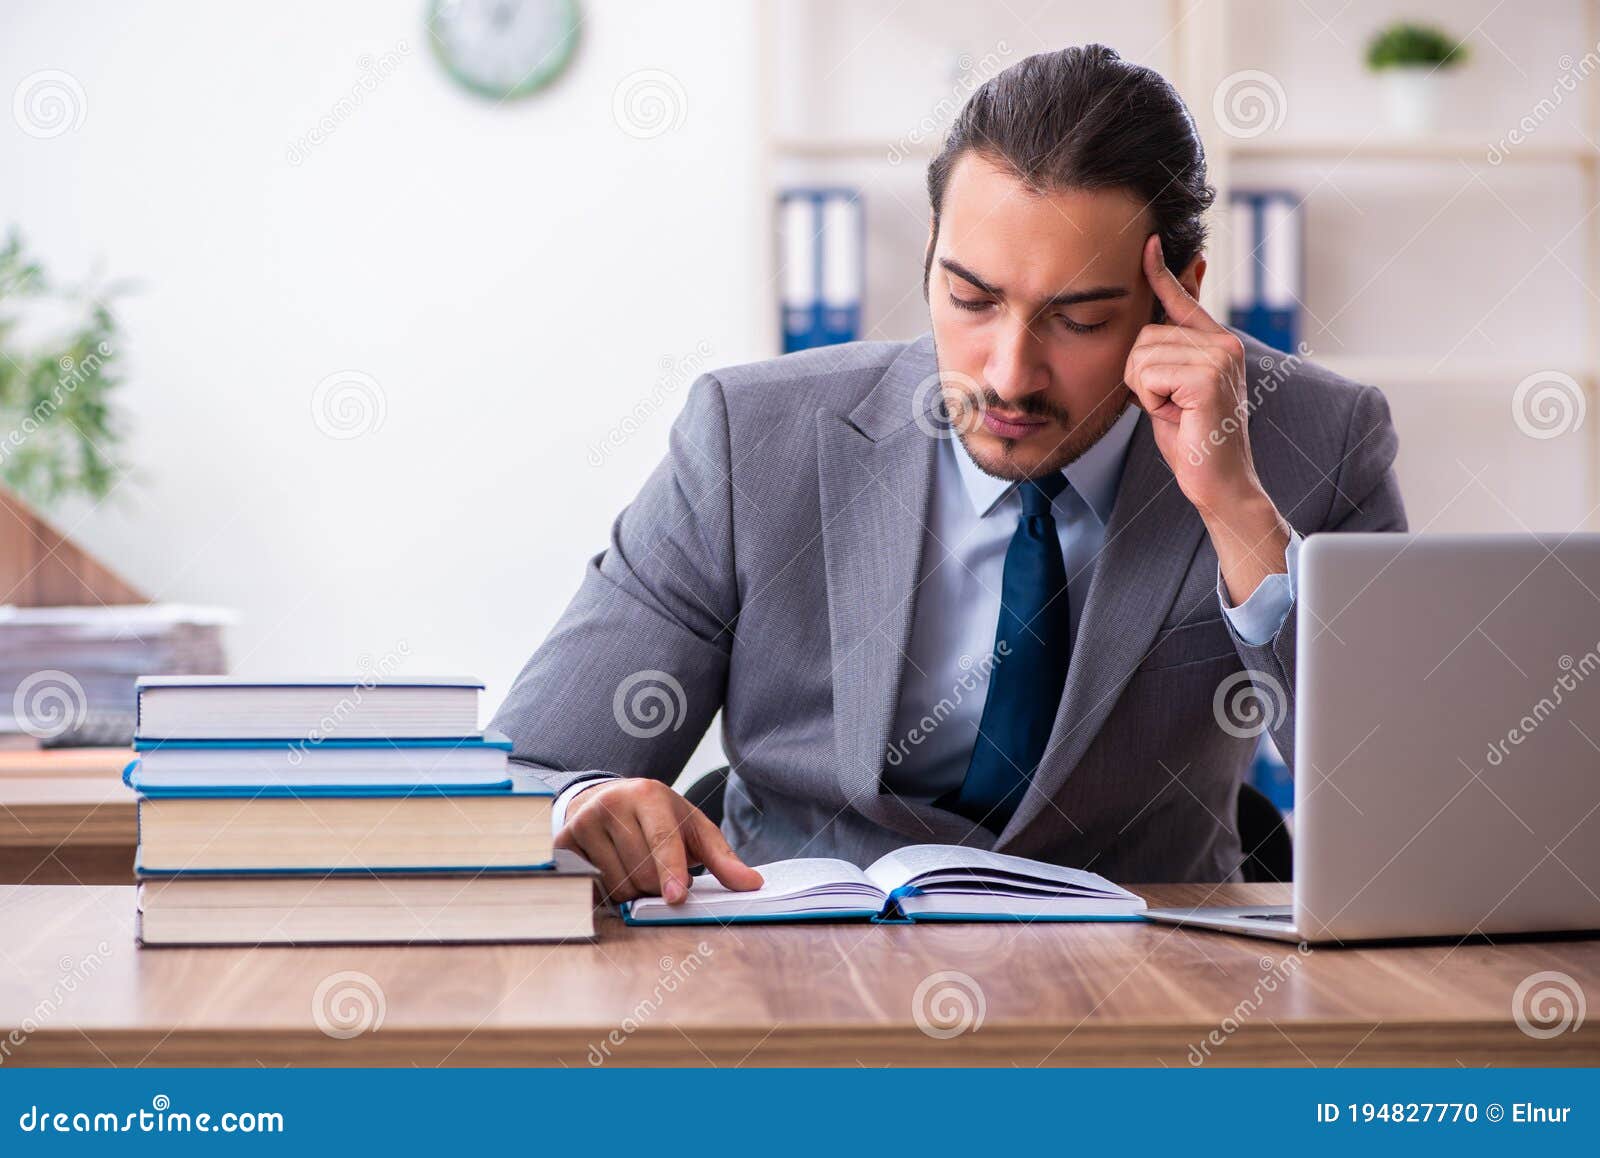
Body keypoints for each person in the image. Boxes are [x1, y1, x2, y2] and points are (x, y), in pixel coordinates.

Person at [491, 44, 1406, 903]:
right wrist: (581, 805)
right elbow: (525, 768)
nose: (1008, 374)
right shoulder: (750, 442)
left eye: (1079, 319)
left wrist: (1238, 511)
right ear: (931, 249)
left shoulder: (1315, 443)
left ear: (1181, 293)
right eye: (971, 299)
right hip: (793, 979)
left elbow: (1397, 798)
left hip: (1148, 992)